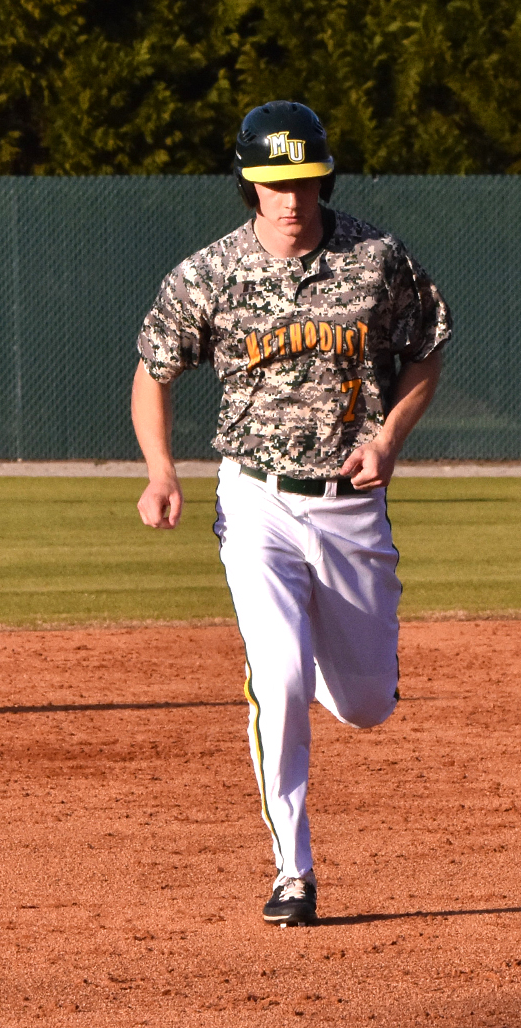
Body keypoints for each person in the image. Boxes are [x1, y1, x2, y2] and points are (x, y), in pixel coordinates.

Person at [130, 101, 452, 927]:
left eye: (304, 181)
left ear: (324, 179)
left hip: (351, 508)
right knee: (276, 677)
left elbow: (425, 352)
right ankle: (294, 871)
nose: (290, 199)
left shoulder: (376, 258)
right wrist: (162, 470)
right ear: (248, 184)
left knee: (368, 704)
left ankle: (325, 664)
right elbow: (152, 370)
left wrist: (388, 439)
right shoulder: (207, 274)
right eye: (274, 183)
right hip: (255, 499)